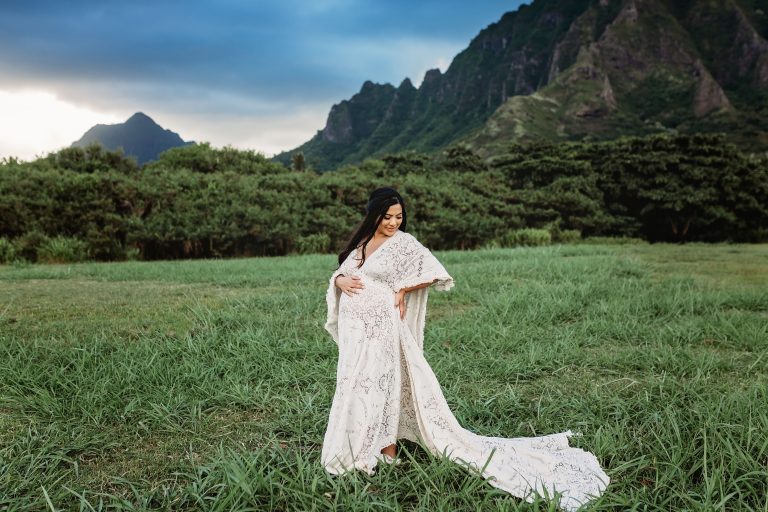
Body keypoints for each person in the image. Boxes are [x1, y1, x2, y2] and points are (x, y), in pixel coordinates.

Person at [321, 187, 609, 511]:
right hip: (358, 330)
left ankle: (384, 451)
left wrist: (401, 288)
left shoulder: (403, 242)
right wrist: (339, 282)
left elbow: (433, 272)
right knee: (356, 382)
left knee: (382, 380)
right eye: (387, 217)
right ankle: (367, 444)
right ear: (373, 215)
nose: (393, 223)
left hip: (383, 327)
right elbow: (344, 271)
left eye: (399, 217)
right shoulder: (361, 244)